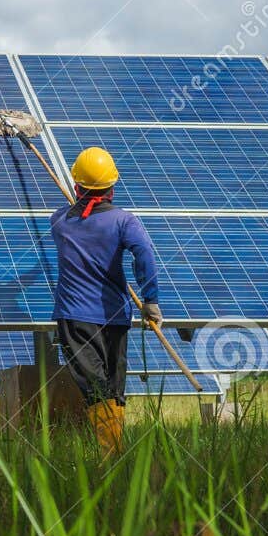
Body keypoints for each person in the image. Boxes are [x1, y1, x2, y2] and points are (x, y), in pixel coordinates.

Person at [49, 146, 162, 453]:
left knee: (96, 388)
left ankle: (109, 455)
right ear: (112, 187)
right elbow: (146, 254)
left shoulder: (59, 222)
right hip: (116, 316)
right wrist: (150, 299)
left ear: (76, 186)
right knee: (114, 386)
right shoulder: (125, 222)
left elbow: (76, 216)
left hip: (75, 317)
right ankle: (113, 452)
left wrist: (79, 207)